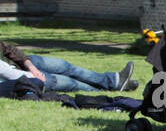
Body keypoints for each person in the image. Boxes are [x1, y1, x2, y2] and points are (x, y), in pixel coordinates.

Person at [0, 39, 137, 95]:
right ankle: (103, 92)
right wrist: (31, 78)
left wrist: (30, 65)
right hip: (15, 78)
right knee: (69, 82)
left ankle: (114, 81)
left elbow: (7, 48)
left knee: (64, 66)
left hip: (19, 63)